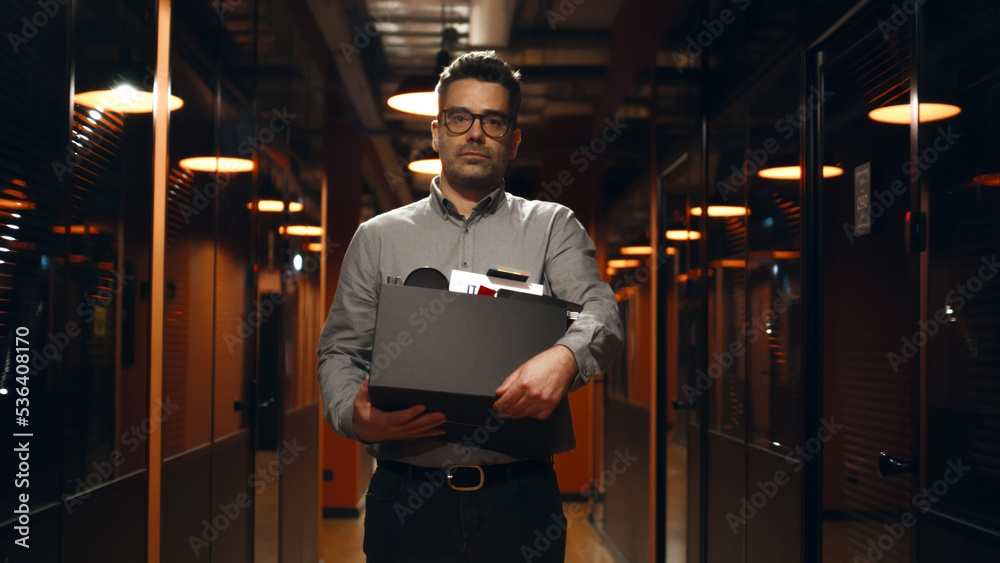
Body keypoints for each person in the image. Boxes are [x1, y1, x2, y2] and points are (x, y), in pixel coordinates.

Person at [316, 50, 623, 562]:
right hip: (403, 502)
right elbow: (339, 352)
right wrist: (354, 416)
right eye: (460, 117)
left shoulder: (553, 227)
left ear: (514, 139)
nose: (475, 133)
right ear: (437, 132)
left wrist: (565, 357)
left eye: (493, 121)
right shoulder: (377, 237)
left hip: (521, 503)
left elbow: (602, 315)